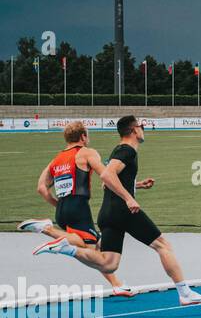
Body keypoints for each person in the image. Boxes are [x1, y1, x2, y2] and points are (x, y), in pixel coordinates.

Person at [94, 116, 201, 306]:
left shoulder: (118, 150)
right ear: (134, 130)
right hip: (123, 211)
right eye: (142, 126)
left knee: (109, 264)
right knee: (163, 246)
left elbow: (107, 183)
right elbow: (106, 176)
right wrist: (129, 198)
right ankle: (185, 293)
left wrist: (137, 185)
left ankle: (70, 249)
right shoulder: (127, 150)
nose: (144, 129)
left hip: (108, 212)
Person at [18, 121, 136, 297]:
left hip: (62, 209)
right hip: (79, 207)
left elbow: (41, 188)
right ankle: (47, 229)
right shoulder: (87, 152)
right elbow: (107, 175)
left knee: (97, 247)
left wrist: (58, 205)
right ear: (83, 136)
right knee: (87, 247)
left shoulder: (56, 160)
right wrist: (129, 195)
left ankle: (116, 284)